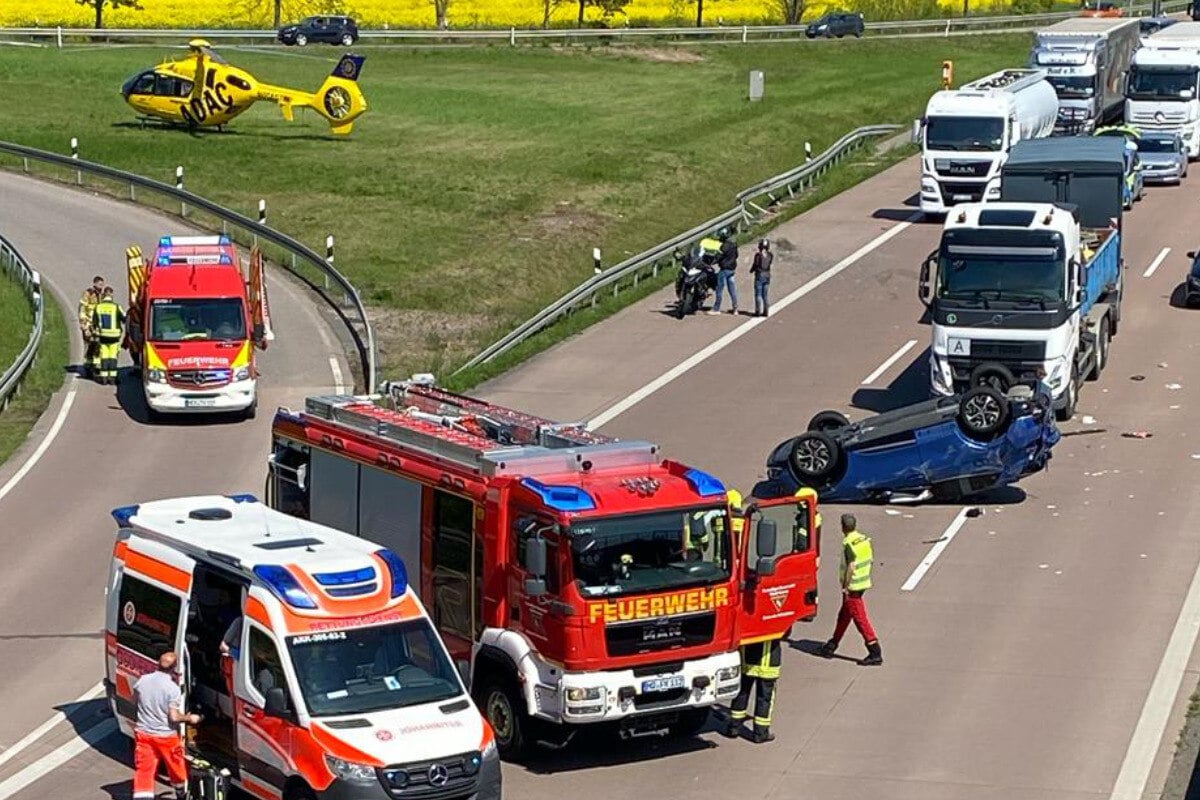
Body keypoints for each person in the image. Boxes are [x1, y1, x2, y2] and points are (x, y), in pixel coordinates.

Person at [132, 652, 201, 800]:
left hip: (143, 733)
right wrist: (190, 717)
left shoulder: (142, 680)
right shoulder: (172, 689)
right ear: (174, 668)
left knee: (144, 770)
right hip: (166, 736)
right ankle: (181, 793)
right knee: (176, 767)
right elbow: (174, 717)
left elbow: (135, 701)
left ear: (158, 663)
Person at [819, 514, 882, 666]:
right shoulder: (863, 539)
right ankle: (832, 644)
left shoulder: (848, 543)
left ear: (842, 527)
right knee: (844, 615)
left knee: (860, 618)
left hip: (853, 586)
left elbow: (851, 566)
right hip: (863, 581)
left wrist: (846, 587)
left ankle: (874, 650)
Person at [725, 635, 782, 743]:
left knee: (742, 693)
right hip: (768, 663)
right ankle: (760, 733)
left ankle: (734, 727)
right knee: (765, 699)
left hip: (747, 658)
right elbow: (786, 631)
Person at [92, 286, 126, 385]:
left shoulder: (98, 307)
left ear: (103, 295)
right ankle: (112, 378)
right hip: (114, 337)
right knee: (112, 357)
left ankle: (104, 378)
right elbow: (124, 318)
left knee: (104, 357)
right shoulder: (116, 307)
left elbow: (94, 322)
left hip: (103, 336)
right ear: (111, 294)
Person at [78, 276, 105, 378]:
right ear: (94, 284)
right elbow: (82, 309)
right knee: (90, 345)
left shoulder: (101, 296)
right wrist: (84, 325)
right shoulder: (88, 294)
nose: (101, 286)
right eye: (99, 284)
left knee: (98, 345)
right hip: (89, 324)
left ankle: (96, 366)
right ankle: (88, 366)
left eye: (102, 284)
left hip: (98, 326)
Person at [709, 228, 739, 315]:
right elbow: (736, 255)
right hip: (732, 268)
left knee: (719, 289)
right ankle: (735, 308)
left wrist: (711, 262)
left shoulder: (723, 246)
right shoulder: (733, 244)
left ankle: (716, 308)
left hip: (724, 269)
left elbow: (718, 257)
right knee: (732, 289)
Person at [750, 239, 773, 317]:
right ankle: (766, 311)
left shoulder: (758, 255)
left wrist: (751, 270)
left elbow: (755, 264)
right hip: (767, 275)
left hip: (760, 275)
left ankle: (758, 311)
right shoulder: (770, 255)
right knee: (765, 295)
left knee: (758, 294)